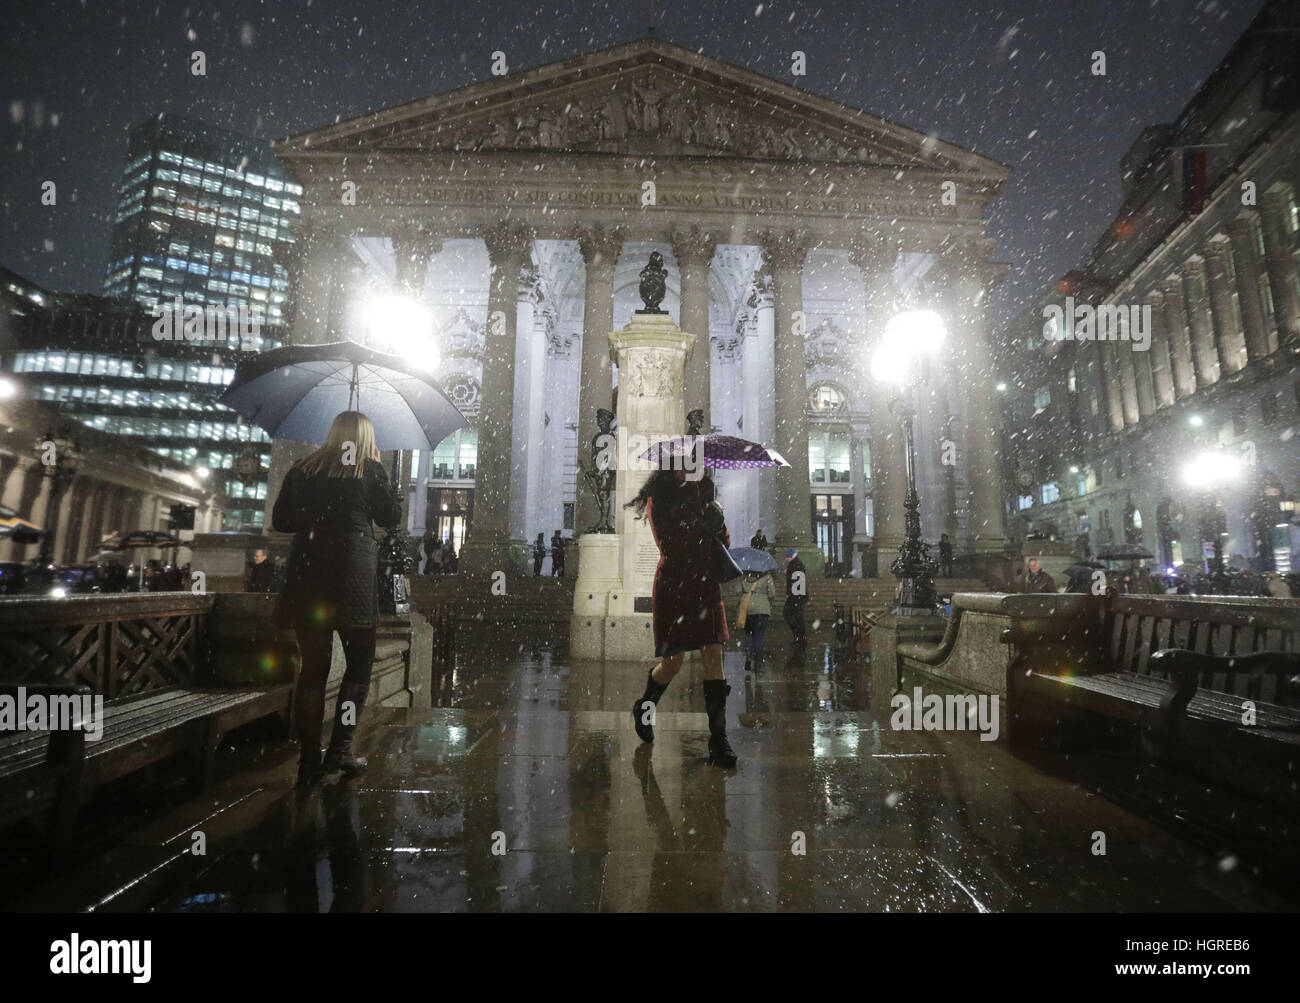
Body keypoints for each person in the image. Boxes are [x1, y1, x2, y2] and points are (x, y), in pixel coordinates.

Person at [272, 410, 401, 787]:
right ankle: (340, 750)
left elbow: (282, 522)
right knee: (358, 670)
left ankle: (308, 760)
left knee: (312, 670)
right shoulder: (369, 470)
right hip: (353, 581)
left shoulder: (302, 470)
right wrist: (377, 469)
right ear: (364, 438)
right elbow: (390, 515)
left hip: (308, 576)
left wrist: (316, 518)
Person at [626, 467, 737, 768]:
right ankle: (645, 707)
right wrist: (703, 526)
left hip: (705, 585)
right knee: (673, 663)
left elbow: (722, 543)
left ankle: (718, 740)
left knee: (713, 656)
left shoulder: (704, 491)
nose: (691, 466)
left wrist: (718, 522)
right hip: (674, 586)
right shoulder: (658, 498)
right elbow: (670, 545)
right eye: (685, 461)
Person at [731, 569, 775, 670]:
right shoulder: (767, 576)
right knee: (759, 635)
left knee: (748, 634)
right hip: (762, 609)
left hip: (747, 608)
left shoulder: (743, 575)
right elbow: (772, 594)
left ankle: (748, 657)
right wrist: (766, 601)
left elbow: (737, 591)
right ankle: (759, 660)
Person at [783, 548, 808, 647]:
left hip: (795, 595)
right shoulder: (798, 564)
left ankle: (799, 638)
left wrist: (789, 593)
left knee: (788, 615)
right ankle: (800, 638)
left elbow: (794, 582)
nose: (786, 559)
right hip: (799, 595)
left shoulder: (793, 565)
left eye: (787, 557)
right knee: (798, 618)